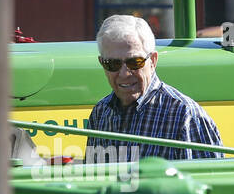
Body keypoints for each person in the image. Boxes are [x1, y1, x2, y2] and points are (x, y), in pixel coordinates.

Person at [85, 15, 222, 163]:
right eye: (112, 64)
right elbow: (93, 179)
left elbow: (208, 182)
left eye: (134, 62)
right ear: (101, 63)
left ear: (153, 61)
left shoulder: (185, 115)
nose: (124, 74)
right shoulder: (100, 113)